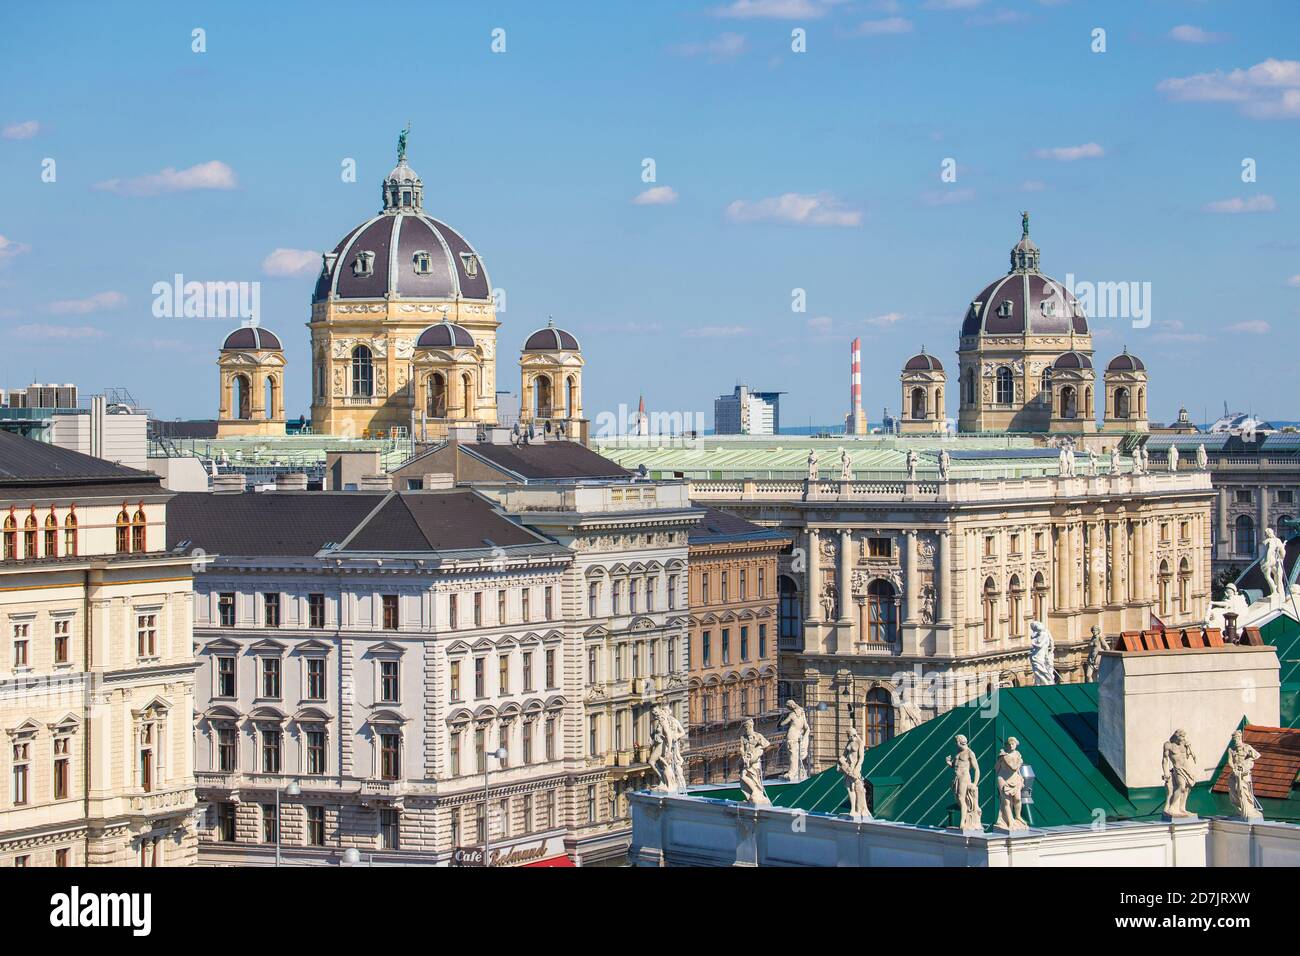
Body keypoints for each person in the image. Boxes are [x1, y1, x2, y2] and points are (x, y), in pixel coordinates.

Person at [946, 734, 982, 830]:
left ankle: (963, 823)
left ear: (960, 742)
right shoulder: (958, 752)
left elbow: (977, 769)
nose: (955, 744)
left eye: (956, 742)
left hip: (964, 777)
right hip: (957, 778)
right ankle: (964, 820)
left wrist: (975, 783)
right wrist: (949, 763)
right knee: (959, 799)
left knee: (962, 800)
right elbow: (955, 765)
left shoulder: (969, 753)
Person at [1161, 729, 1197, 819]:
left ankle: (1182, 808)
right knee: (1181, 786)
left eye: (1184, 737)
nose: (1183, 739)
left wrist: (1190, 748)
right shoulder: (1168, 745)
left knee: (1187, 788)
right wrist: (1165, 772)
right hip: (1178, 768)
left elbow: (1189, 755)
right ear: (1176, 736)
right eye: (1181, 737)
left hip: (1187, 768)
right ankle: (1172, 808)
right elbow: (1165, 760)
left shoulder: (1184, 743)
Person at [739, 719, 772, 805]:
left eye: (747, 728)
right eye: (745, 729)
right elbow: (741, 748)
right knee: (743, 776)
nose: (746, 730)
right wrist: (743, 755)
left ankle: (756, 792)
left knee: (755, 778)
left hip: (754, 761)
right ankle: (753, 792)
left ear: (751, 727)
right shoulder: (743, 737)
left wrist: (759, 749)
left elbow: (766, 744)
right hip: (746, 760)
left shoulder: (758, 736)